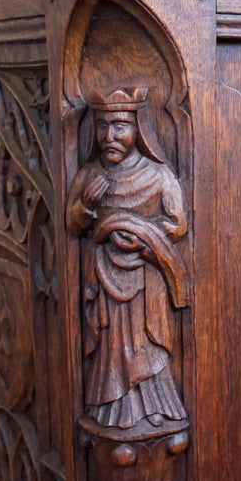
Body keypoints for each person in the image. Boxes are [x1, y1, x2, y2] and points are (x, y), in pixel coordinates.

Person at [66, 88, 188, 430]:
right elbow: (72, 224)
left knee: (145, 345)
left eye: (120, 126)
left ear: (139, 127)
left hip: (145, 283)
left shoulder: (158, 176)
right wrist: (87, 205)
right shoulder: (90, 176)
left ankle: (156, 410)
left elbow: (178, 224)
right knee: (110, 346)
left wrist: (138, 234)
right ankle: (111, 410)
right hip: (104, 281)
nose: (109, 136)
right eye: (102, 126)